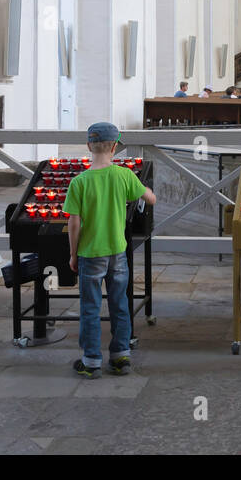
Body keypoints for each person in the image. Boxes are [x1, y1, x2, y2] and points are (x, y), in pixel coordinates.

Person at [63, 122, 157, 378]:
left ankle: (91, 361)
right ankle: (120, 357)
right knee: (120, 304)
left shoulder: (79, 182)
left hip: (90, 254)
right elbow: (150, 198)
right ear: (115, 146)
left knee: (90, 308)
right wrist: (143, 191)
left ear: (88, 146)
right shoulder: (124, 175)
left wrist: (73, 253)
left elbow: (73, 222)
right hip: (117, 253)